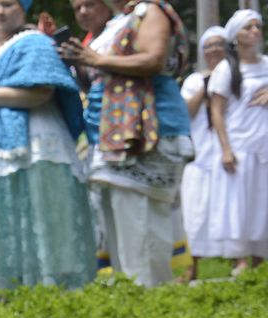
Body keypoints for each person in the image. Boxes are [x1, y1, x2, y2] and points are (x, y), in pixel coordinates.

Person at [0, 0, 93, 291]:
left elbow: (40, 92)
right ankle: (3, 292)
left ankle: (47, 293)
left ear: (23, 9)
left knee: (37, 220)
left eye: (7, 4)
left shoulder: (33, 43)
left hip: (34, 142)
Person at [58, 0, 192, 286]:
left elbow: (153, 59)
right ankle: (135, 308)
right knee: (122, 237)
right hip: (111, 139)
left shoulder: (151, 10)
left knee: (141, 234)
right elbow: (98, 76)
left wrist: (97, 59)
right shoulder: (118, 22)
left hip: (145, 134)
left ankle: (151, 310)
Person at [201, 10, 266, 274]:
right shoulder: (227, 69)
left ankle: (260, 265)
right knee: (239, 204)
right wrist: (226, 149)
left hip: (264, 145)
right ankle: (240, 263)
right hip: (240, 145)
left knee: (262, 203)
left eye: (257, 26)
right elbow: (216, 110)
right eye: (247, 27)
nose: (254, 31)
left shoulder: (266, 64)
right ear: (236, 36)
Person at [178, 24, 225, 279]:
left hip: (229, 153)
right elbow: (186, 113)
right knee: (193, 213)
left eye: (219, 44)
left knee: (231, 207)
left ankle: (241, 263)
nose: (214, 50)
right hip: (200, 155)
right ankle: (191, 267)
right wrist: (206, 87)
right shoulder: (194, 80)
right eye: (209, 45)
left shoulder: (235, 76)